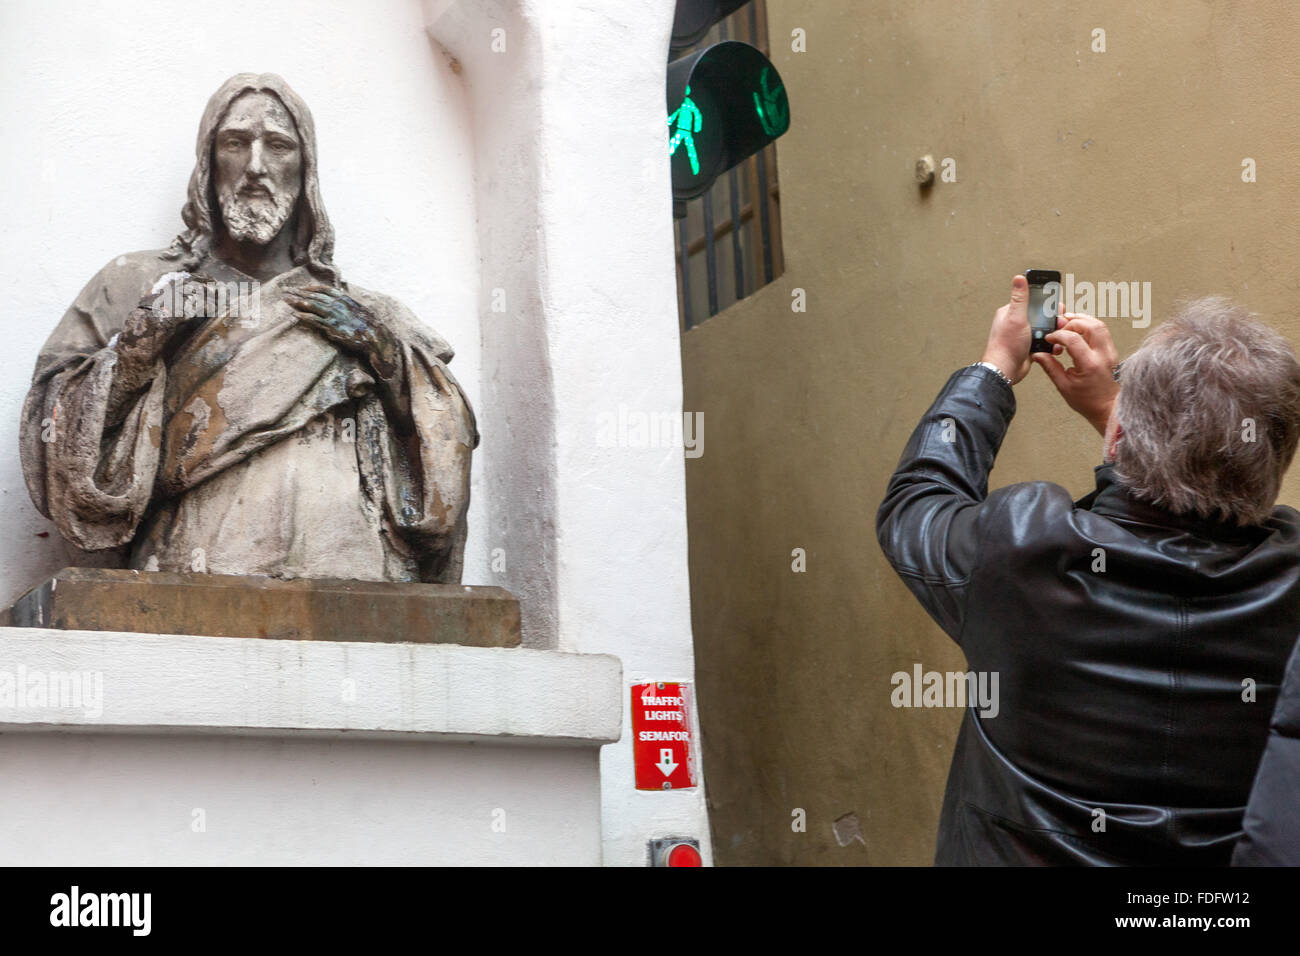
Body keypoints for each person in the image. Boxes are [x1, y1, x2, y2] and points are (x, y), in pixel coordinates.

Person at [876, 277, 1300, 865]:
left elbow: (917, 504)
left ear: (1118, 437)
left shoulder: (1022, 547)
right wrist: (1118, 415)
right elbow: (1199, 498)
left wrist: (993, 370)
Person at [20, 73, 477, 583]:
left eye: (278, 145)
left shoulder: (367, 310)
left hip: (351, 565)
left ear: (305, 169)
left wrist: (386, 355)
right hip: (197, 563)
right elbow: (49, 425)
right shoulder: (135, 282)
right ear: (208, 161)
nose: (256, 166)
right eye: (235, 142)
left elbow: (445, 446)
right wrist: (135, 352)